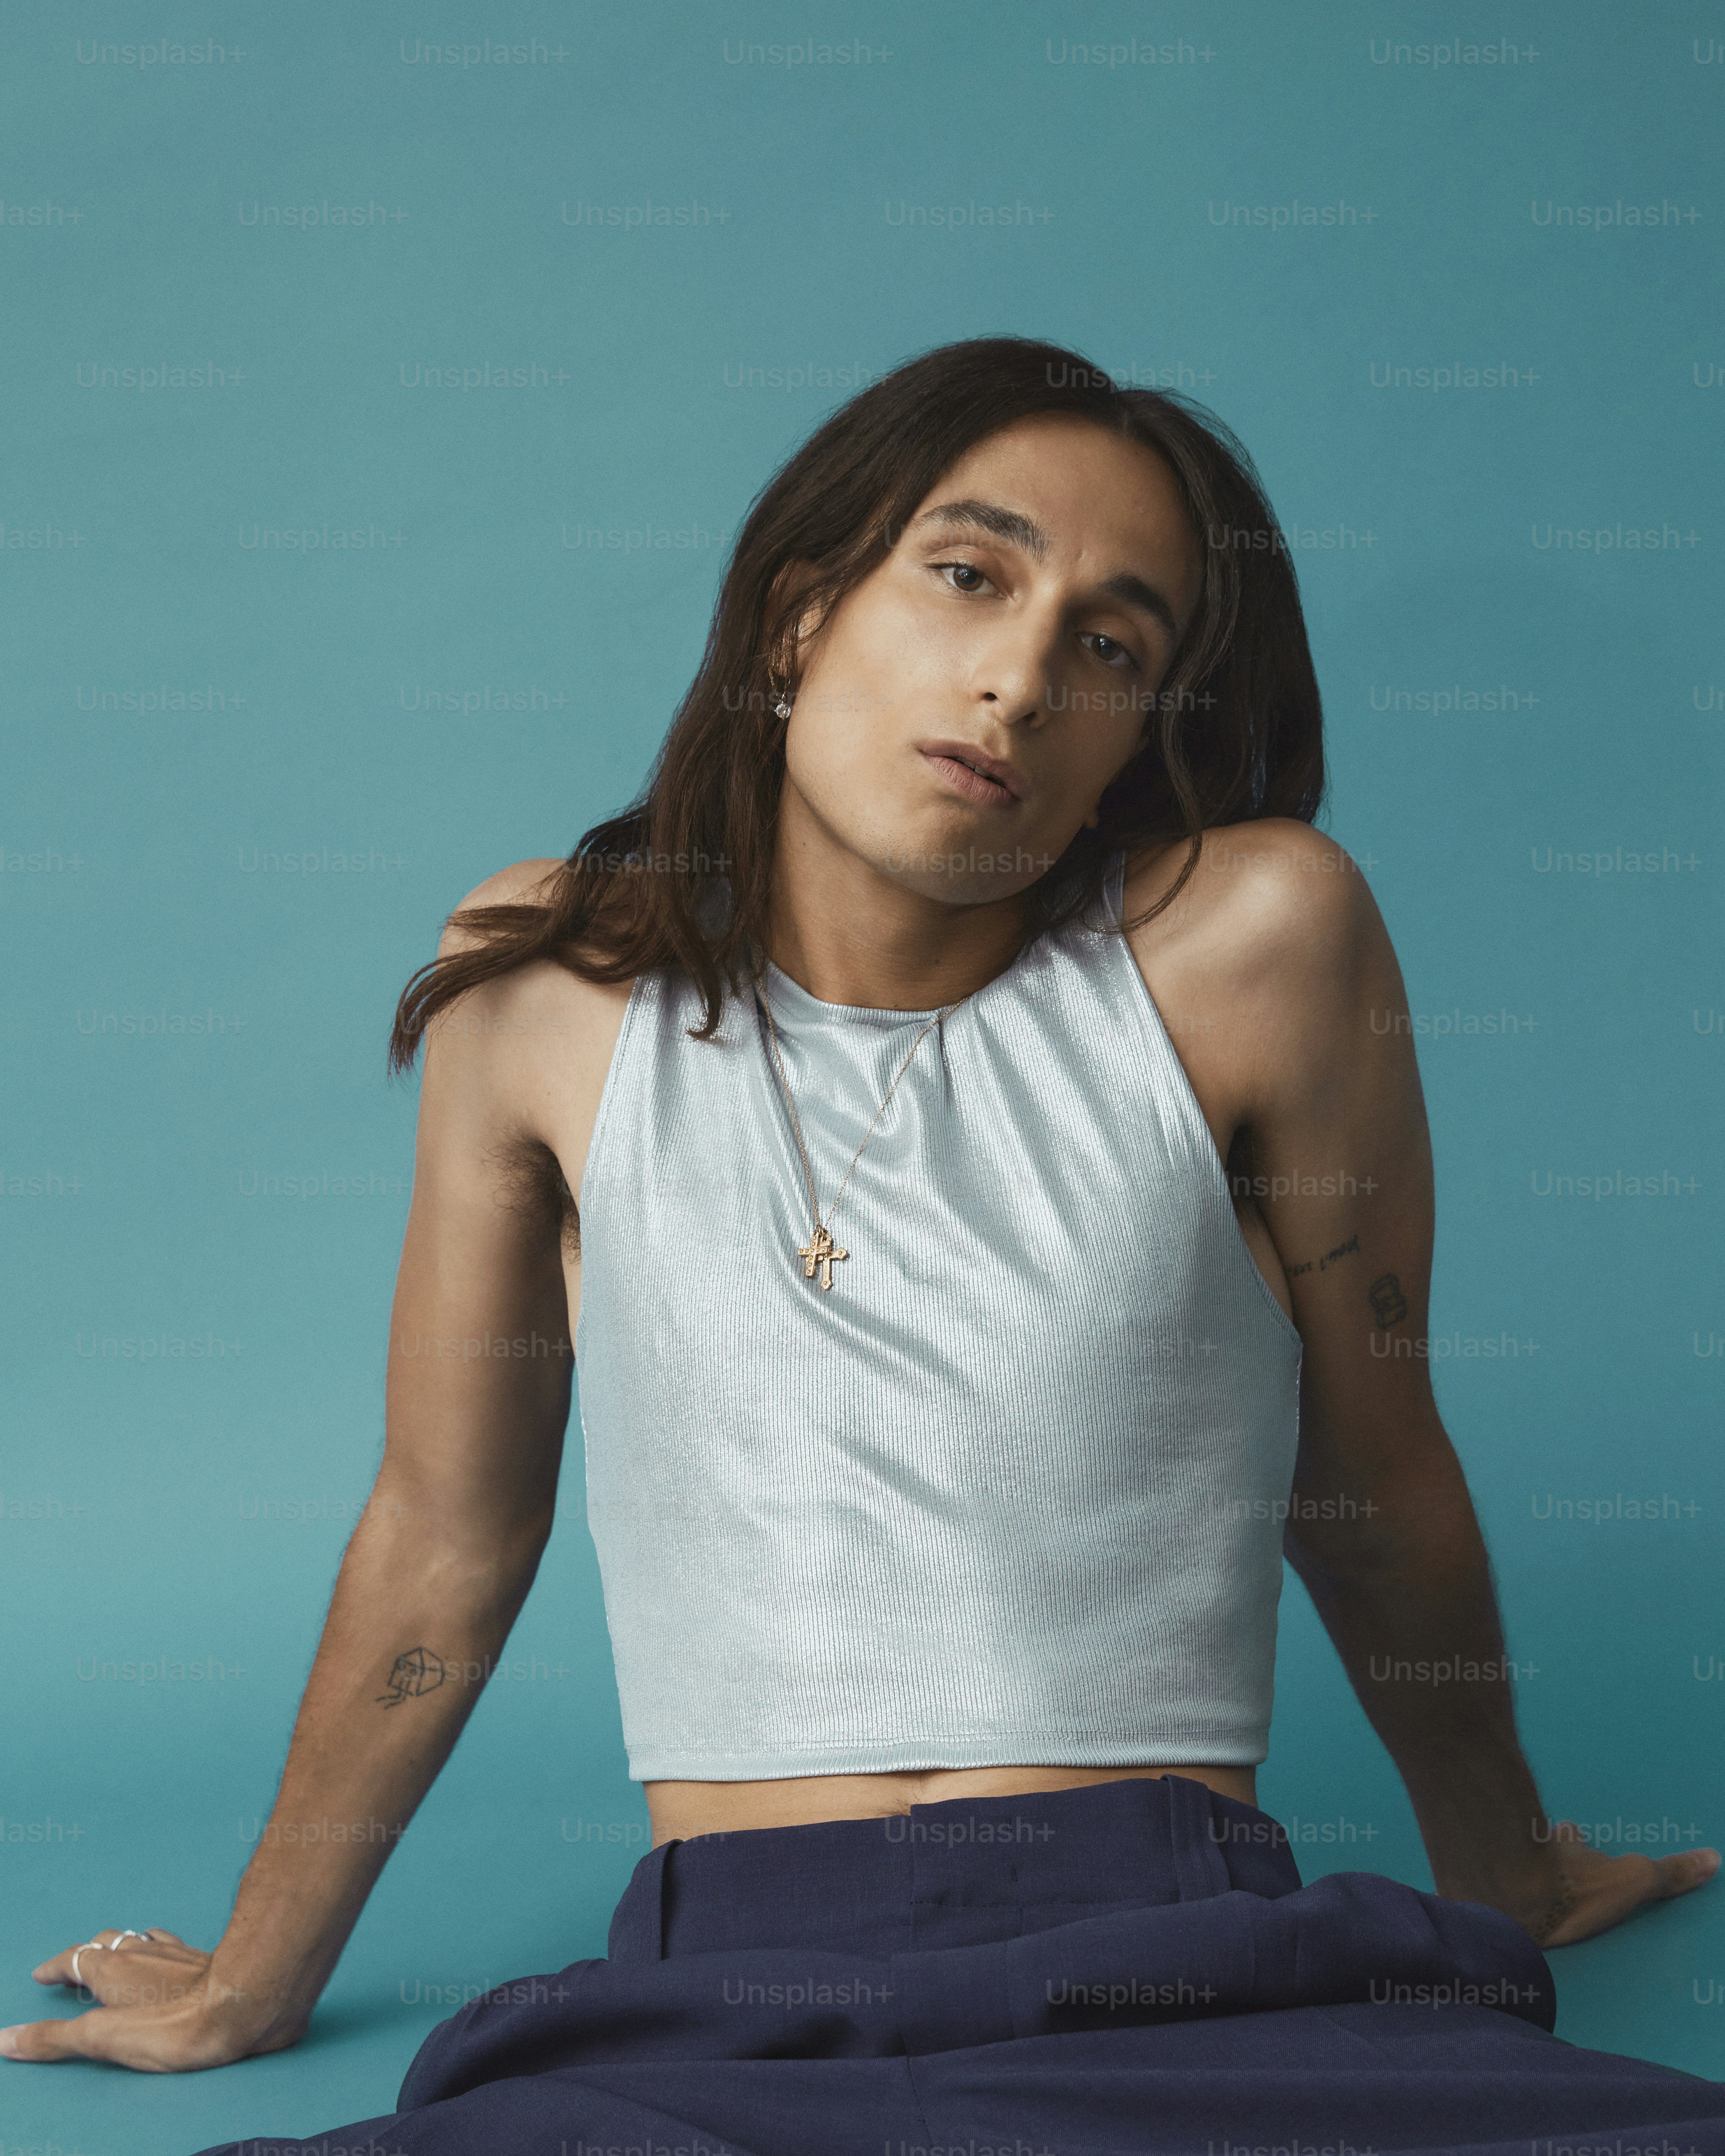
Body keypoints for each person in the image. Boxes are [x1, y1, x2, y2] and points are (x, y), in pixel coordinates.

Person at [7, 338, 1720, 2153]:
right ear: (797, 615)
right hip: (730, 1991)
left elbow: (1366, 1476)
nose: (1018, 680)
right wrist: (257, 1971)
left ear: (1136, 735)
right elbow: (447, 1532)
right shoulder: (542, 992)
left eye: (1109, 647)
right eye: (970, 575)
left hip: (1170, 1952)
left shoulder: (1254, 941)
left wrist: (1504, 1866)